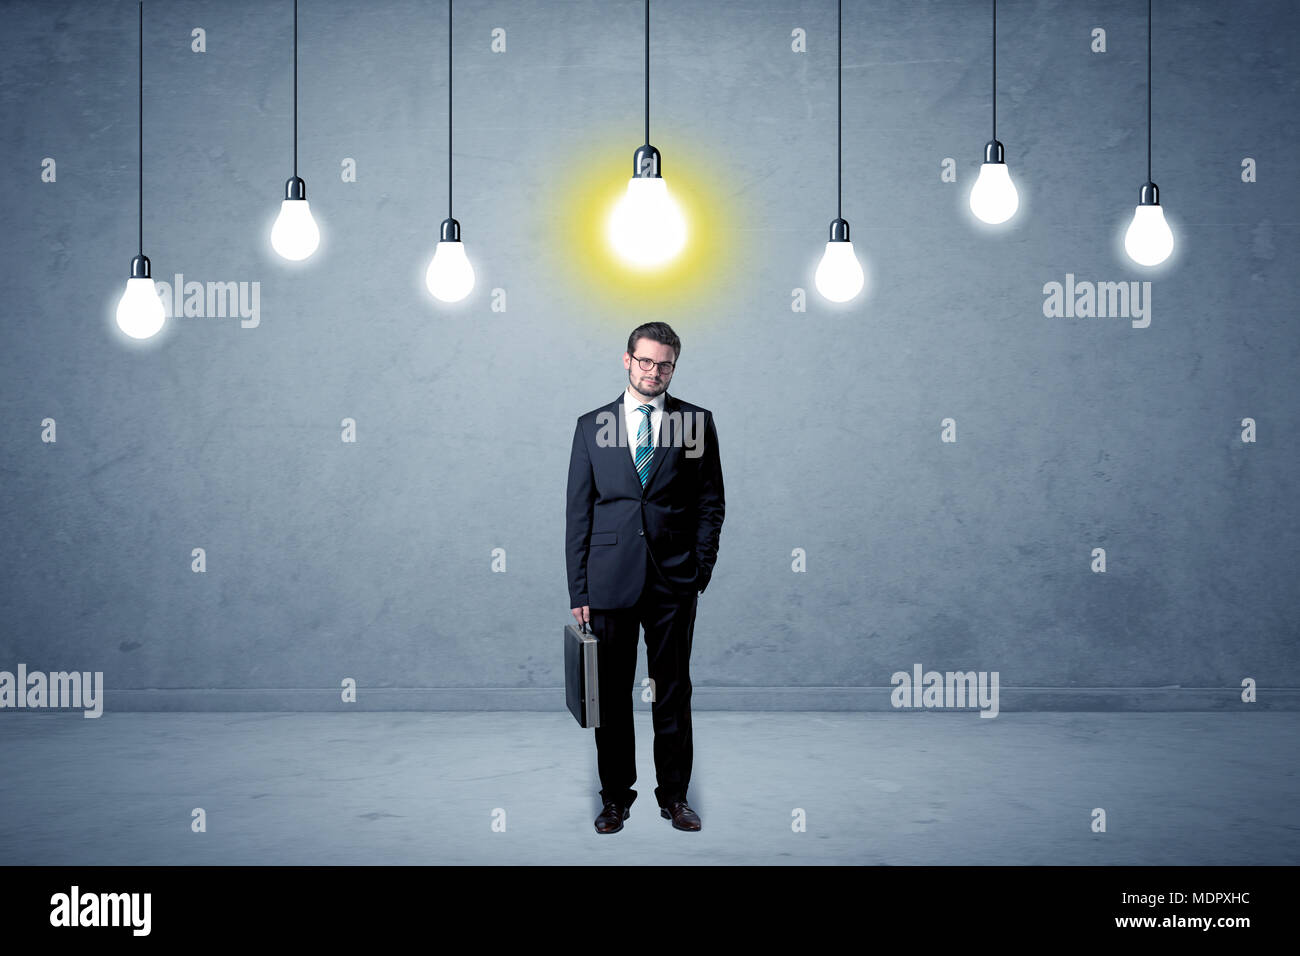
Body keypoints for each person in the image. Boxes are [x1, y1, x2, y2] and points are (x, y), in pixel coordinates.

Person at [565, 322, 724, 833]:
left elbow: (710, 504)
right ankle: (615, 798)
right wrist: (580, 590)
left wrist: (697, 572)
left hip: (673, 582)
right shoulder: (591, 426)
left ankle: (674, 796)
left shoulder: (695, 424)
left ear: (674, 366)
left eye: (666, 364)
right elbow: (579, 514)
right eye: (646, 361)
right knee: (609, 695)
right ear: (627, 360)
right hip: (609, 581)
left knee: (672, 690)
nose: (655, 372)